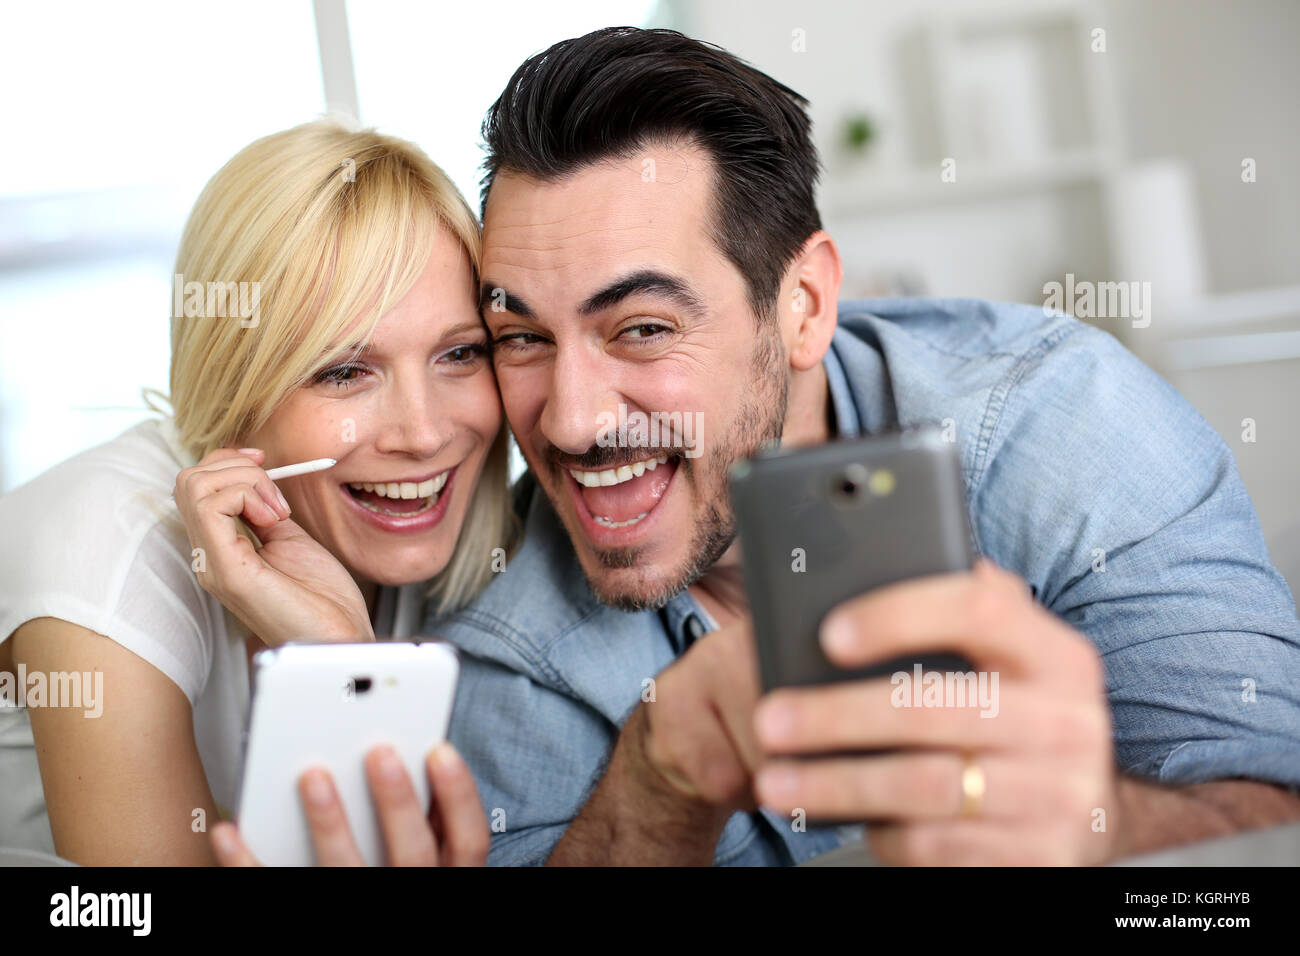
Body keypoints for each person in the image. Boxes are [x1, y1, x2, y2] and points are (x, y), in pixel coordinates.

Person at [413, 26, 1300, 865]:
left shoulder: (1070, 431)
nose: (568, 423)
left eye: (642, 328)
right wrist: (653, 787)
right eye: (521, 338)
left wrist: (1106, 837)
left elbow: (1265, 838)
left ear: (802, 305)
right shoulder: (508, 632)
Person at [0, 119, 510, 865]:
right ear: (237, 394)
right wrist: (349, 671)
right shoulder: (105, 549)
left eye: (460, 354)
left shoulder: (436, 535)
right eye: (344, 371)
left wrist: (341, 662)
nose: (425, 432)